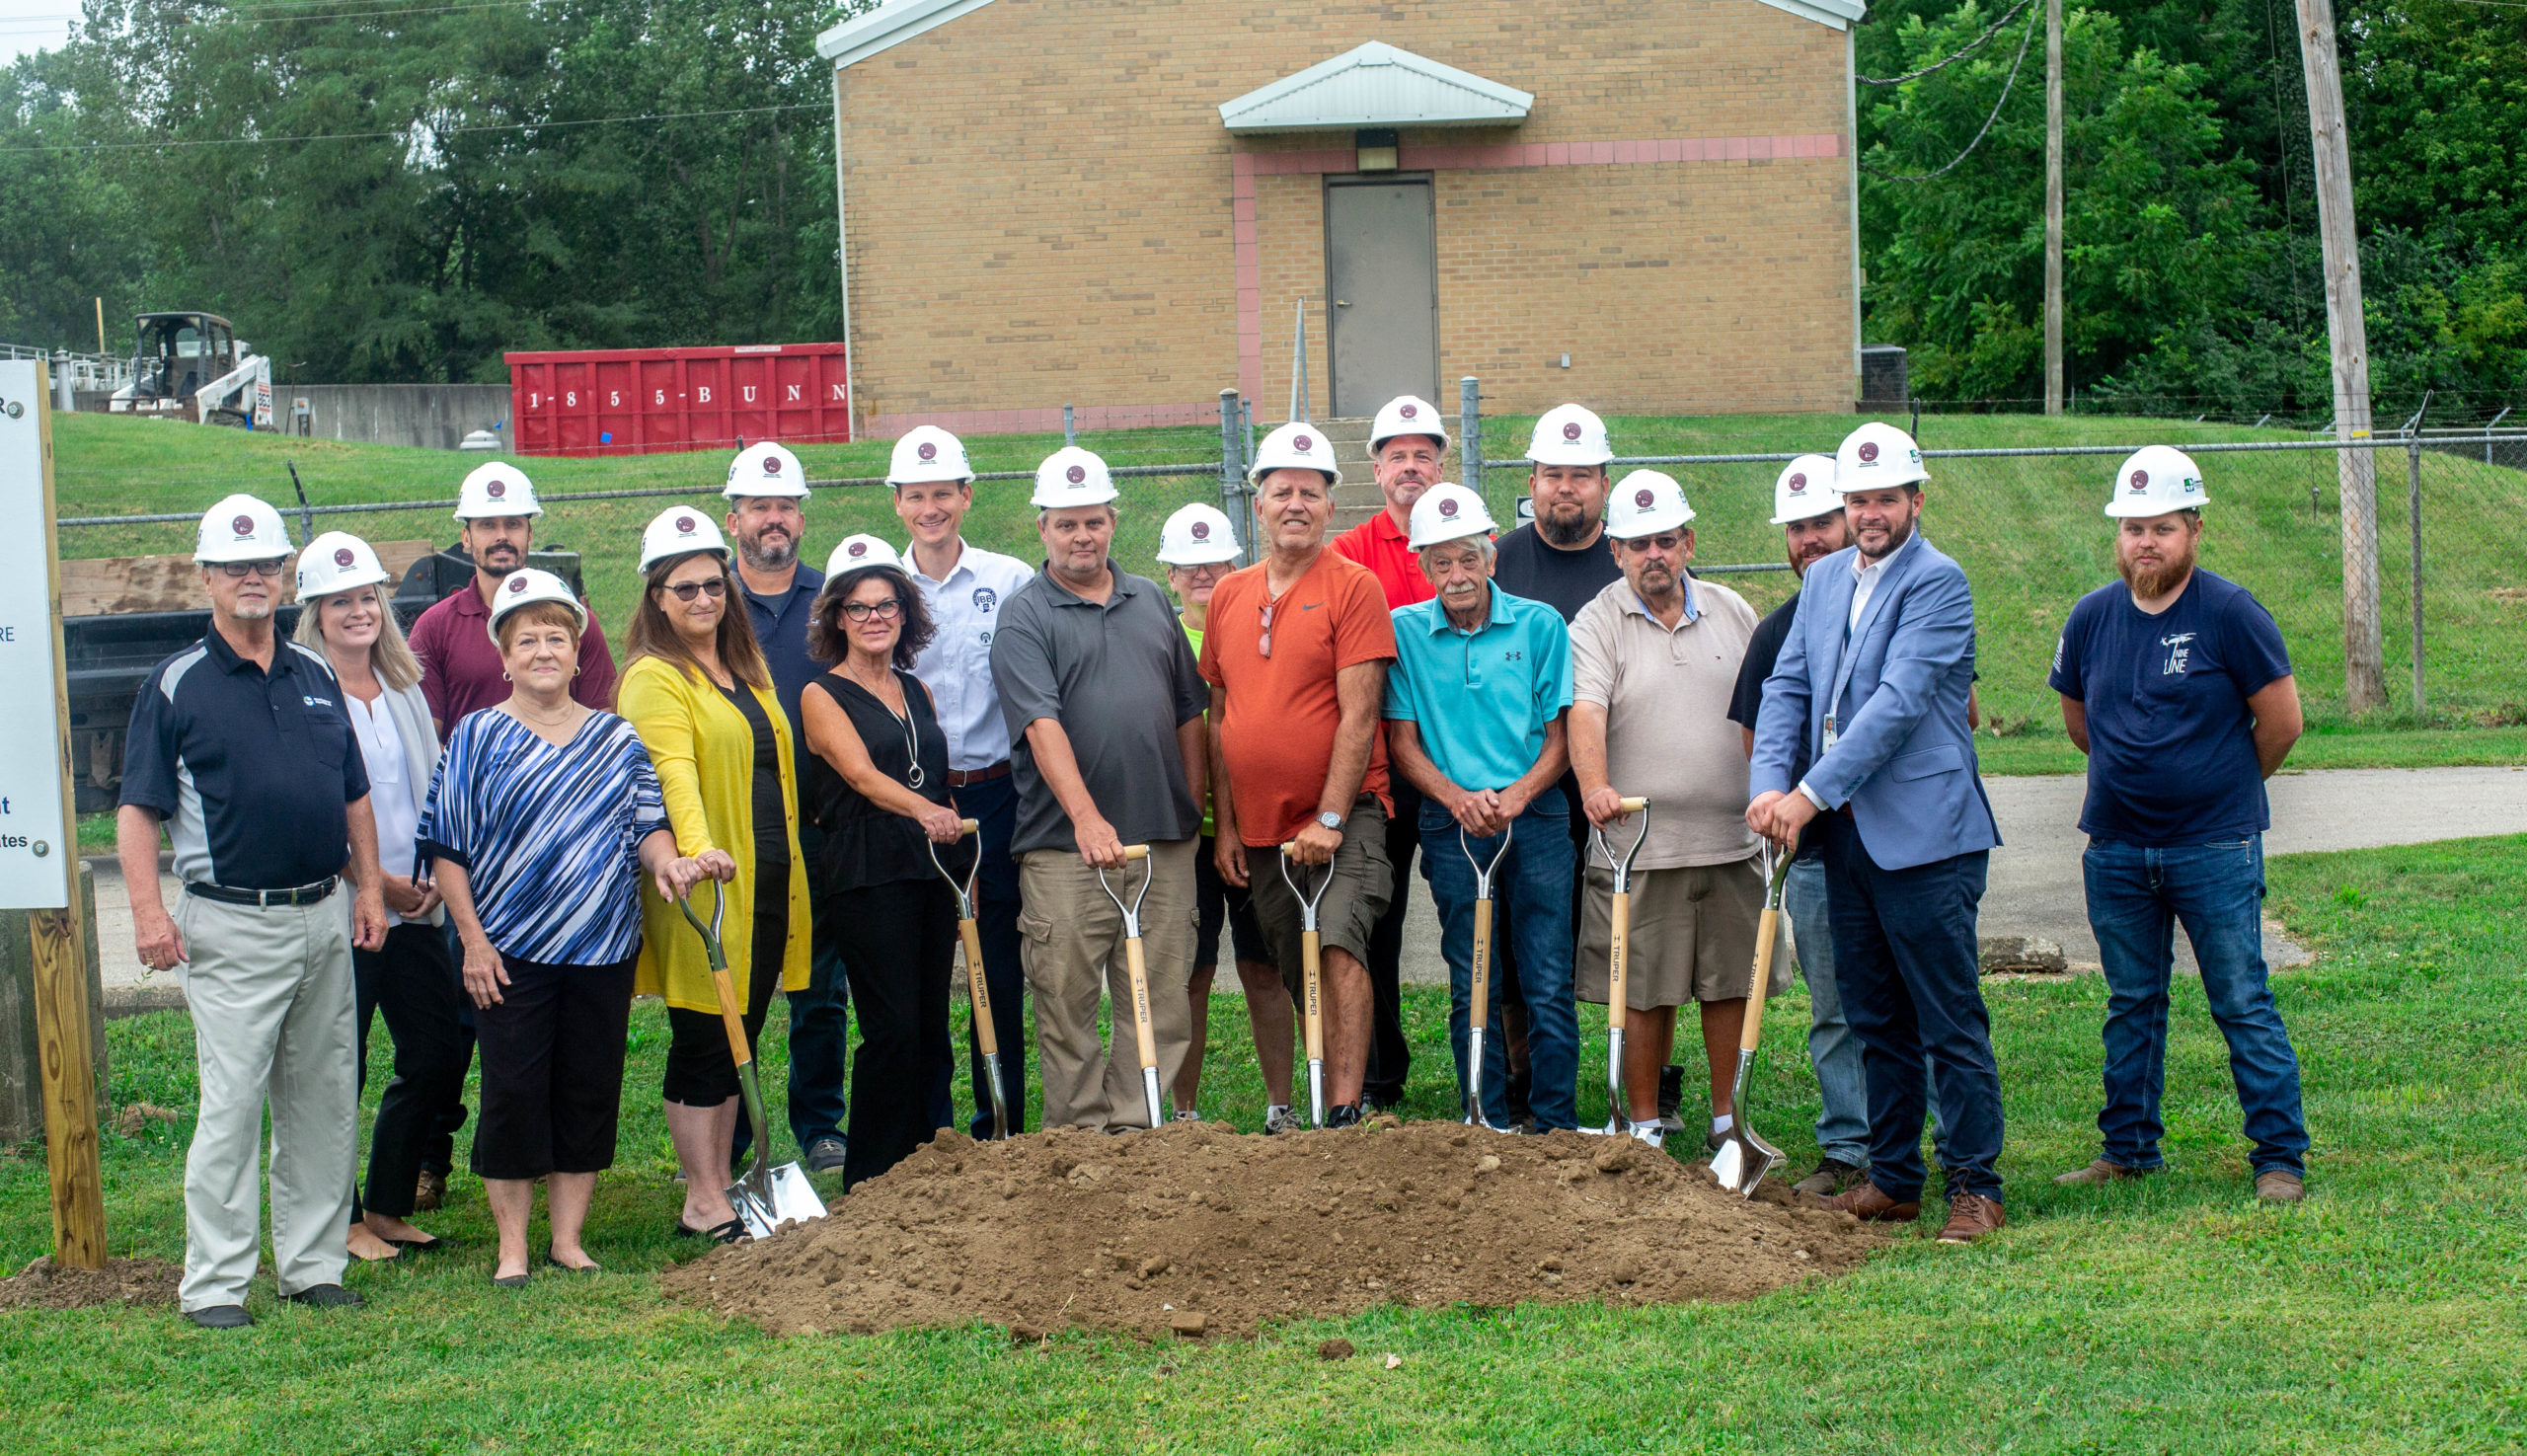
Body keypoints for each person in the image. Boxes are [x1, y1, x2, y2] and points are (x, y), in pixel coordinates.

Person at [119, 497, 392, 1329]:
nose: (252, 578)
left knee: (320, 1101)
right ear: (207, 575)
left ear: (283, 577)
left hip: (322, 914)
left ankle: (312, 1265)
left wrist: (371, 888)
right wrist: (146, 916)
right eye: (236, 566)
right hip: (230, 923)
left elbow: (353, 792)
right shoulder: (177, 684)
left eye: (266, 565)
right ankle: (215, 1282)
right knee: (232, 1109)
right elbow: (137, 809)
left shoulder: (314, 675)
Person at [1748, 421, 2009, 1245]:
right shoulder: (1825, 581)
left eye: (1885, 499)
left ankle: (1975, 1185)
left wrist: (1809, 795)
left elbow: (1894, 707)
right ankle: (1893, 1179)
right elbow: (1787, 685)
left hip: (1926, 837)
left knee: (1947, 1017)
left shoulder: (1940, 583)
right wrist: (1767, 788)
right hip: (1848, 838)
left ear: (1915, 501)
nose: (1869, 514)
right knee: (1873, 1016)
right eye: (1857, 499)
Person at [420, 569, 700, 1285]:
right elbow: (446, 848)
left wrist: (671, 866)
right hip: (508, 949)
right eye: (526, 640)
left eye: (557, 638)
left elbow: (648, 828)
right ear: (504, 656)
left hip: (602, 948)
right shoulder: (476, 737)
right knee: (512, 1092)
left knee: (587, 1088)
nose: (543, 651)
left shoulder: (616, 738)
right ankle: (513, 1244)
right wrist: (472, 940)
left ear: (579, 654)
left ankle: (568, 1239)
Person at [2049, 447, 2310, 1202]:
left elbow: (2283, 722)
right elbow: (2078, 717)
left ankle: (2279, 1158)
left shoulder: (2231, 613)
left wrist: (2218, 783)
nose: (2146, 543)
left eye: (2162, 527)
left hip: (2214, 846)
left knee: (2239, 996)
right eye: (2133, 528)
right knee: (2132, 999)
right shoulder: (2093, 616)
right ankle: (2127, 1147)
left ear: (2195, 528)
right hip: (2118, 848)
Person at [990, 449, 1210, 1131]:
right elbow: (1041, 725)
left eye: (1093, 521)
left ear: (1114, 521)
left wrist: (1192, 809)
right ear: (1043, 529)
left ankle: (1137, 1125)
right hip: (1065, 848)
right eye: (1066, 524)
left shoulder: (1148, 598)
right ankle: (1081, 1140)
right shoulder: (1024, 616)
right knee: (1067, 997)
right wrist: (1085, 819)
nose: (1081, 535)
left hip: (1163, 840)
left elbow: (1186, 712)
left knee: (1161, 995)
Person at [617, 509, 812, 1241]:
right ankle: (702, 1195)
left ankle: (724, 1179)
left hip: (764, 878)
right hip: (707, 886)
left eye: (713, 584)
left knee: (744, 1030)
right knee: (705, 1035)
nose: (703, 599)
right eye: (685, 588)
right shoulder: (653, 678)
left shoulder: (744, 670)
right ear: (656, 597)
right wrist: (697, 854)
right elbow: (671, 774)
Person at [1198, 422, 1397, 1128]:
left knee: (1339, 940)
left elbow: (1359, 712)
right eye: (1280, 490)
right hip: (1258, 827)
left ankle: (1343, 1109)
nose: (1295, 504)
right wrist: (1226, 825)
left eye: (1309, 493)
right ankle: (1312, 1105)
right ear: (1257, 503)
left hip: (1346, 815)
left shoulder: (1354, 587)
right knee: (1292, 962)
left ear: (1328, 507)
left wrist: (1332, 818)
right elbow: (1221, 718)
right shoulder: (1228, 594)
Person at [1569, 472, 1763, 1148]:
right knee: (1643, 990)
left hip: (1733, 840)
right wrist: (1594, 783)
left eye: (1668, 540)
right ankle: (1644, 1125)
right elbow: (1586, 712)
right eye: (1639, 543)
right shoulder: (1597, 621)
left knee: (1729, 985)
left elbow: (1769, 705)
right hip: (1637, 843)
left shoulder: (1733, 610)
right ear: (1616, 551)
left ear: (1688, 543)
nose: (1655, 553)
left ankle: (1727, 1124)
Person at [292, 532, 470, 1262]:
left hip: (415, 907)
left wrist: (426, 875)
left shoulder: (403, 689)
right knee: (342, 1066)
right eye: (341, 601)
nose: (359, 611)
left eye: (368, 597)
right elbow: (306, 808)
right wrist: (369, 880)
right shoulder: (301, 693)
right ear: (314, 612)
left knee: (435, 1052)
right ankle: (341, 1219)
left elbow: (428, 790)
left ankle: (390, 1204)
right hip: (347, 909)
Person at [1382, 483, 1578, 1130]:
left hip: (1539, 819)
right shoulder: (1407, 635)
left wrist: (1518, 796)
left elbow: (1560, 739)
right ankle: (1484, 1116)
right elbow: (1403, 743)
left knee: (1547, 976)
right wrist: (1458, 799)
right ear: (1424, 566)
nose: (1457, 574)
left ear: (1491, 556)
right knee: (1474, 977)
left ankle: (1553, 1121)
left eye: (1468, 558)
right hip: (1452, 825)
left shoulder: (1539, 625)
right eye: (1441, 562)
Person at [800, 547, 964, 1188]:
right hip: (866, 874)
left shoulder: (914, 687)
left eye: (886, 604)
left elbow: (933, 775)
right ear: (838, 616)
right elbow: (863, 776)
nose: (875, 616)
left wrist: (947, 832)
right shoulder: (822, 693)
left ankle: (927, 1160)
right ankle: (872, 1172)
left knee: (928, 1026)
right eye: (859, 607)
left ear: (905, 612)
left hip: (928, 871)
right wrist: (927, 810)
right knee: (891, 1027)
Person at [890, 425, 1034, 1138]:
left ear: (967, 495)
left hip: (993, 793)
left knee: (998, 961)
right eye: (915, 495)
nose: (930, 507)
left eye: (942, 492)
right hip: (908, 799)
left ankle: (999, 1118)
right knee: (920, 964)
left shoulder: (1010, 581)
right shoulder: (877, 586)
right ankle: (929, 1125)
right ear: (897, 503)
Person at [1489, 403, 1628, 1128]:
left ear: (1604, 482)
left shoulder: (1630, 554)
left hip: (1610, 791)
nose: (1564, 488)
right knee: (1522, 946)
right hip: (1525, 792)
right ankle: (1521, 1075)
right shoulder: (1499, 561)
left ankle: (1642, 1078)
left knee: (1620, 936)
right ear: (1532, 480)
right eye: (1552, 474)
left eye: (1580, 475)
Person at [723, 442, 847, 1176]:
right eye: (760, 507)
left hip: (820, 825)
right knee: (734, 989)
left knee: (819, 989)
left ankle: (820, 1124)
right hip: (736, 829)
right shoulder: (707, 597)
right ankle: (726, 1135)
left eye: (786, 506)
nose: (774, 519)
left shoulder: (833, 597)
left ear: (802, 515)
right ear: (733, 517)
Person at [1153, 503, 1288, 1122]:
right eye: (1188, 567)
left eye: (1214, 563)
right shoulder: (1161, 635)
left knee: (1266, 970)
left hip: (1258, 825)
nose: (1202, 575)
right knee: (1192, 974)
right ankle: (1184, 1112)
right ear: (1171, 575)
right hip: (1187, 832)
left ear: (1236, 563)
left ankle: (1281, 1105)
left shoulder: (1262, 623)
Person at [1331, 394, 1447, 1111]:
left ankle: (1497, 1073)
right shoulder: (1351, 555)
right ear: (1375, 470)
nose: (1411, 466)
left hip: (1462, 773)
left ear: (1441, 464)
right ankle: (1378, 1077)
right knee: (1376, 926)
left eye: (1423, 453)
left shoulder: (1467, 537)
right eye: (1396, 455)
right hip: (1382, 776)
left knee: (1476, 922)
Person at [408, 460, 619, 731]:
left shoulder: (574, 622)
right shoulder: (435, 627)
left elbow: (602, 726)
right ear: (466, 537)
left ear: (529, 535)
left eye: (513, 524)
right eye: (487, 525)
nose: (502, 536)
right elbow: (426, 738)